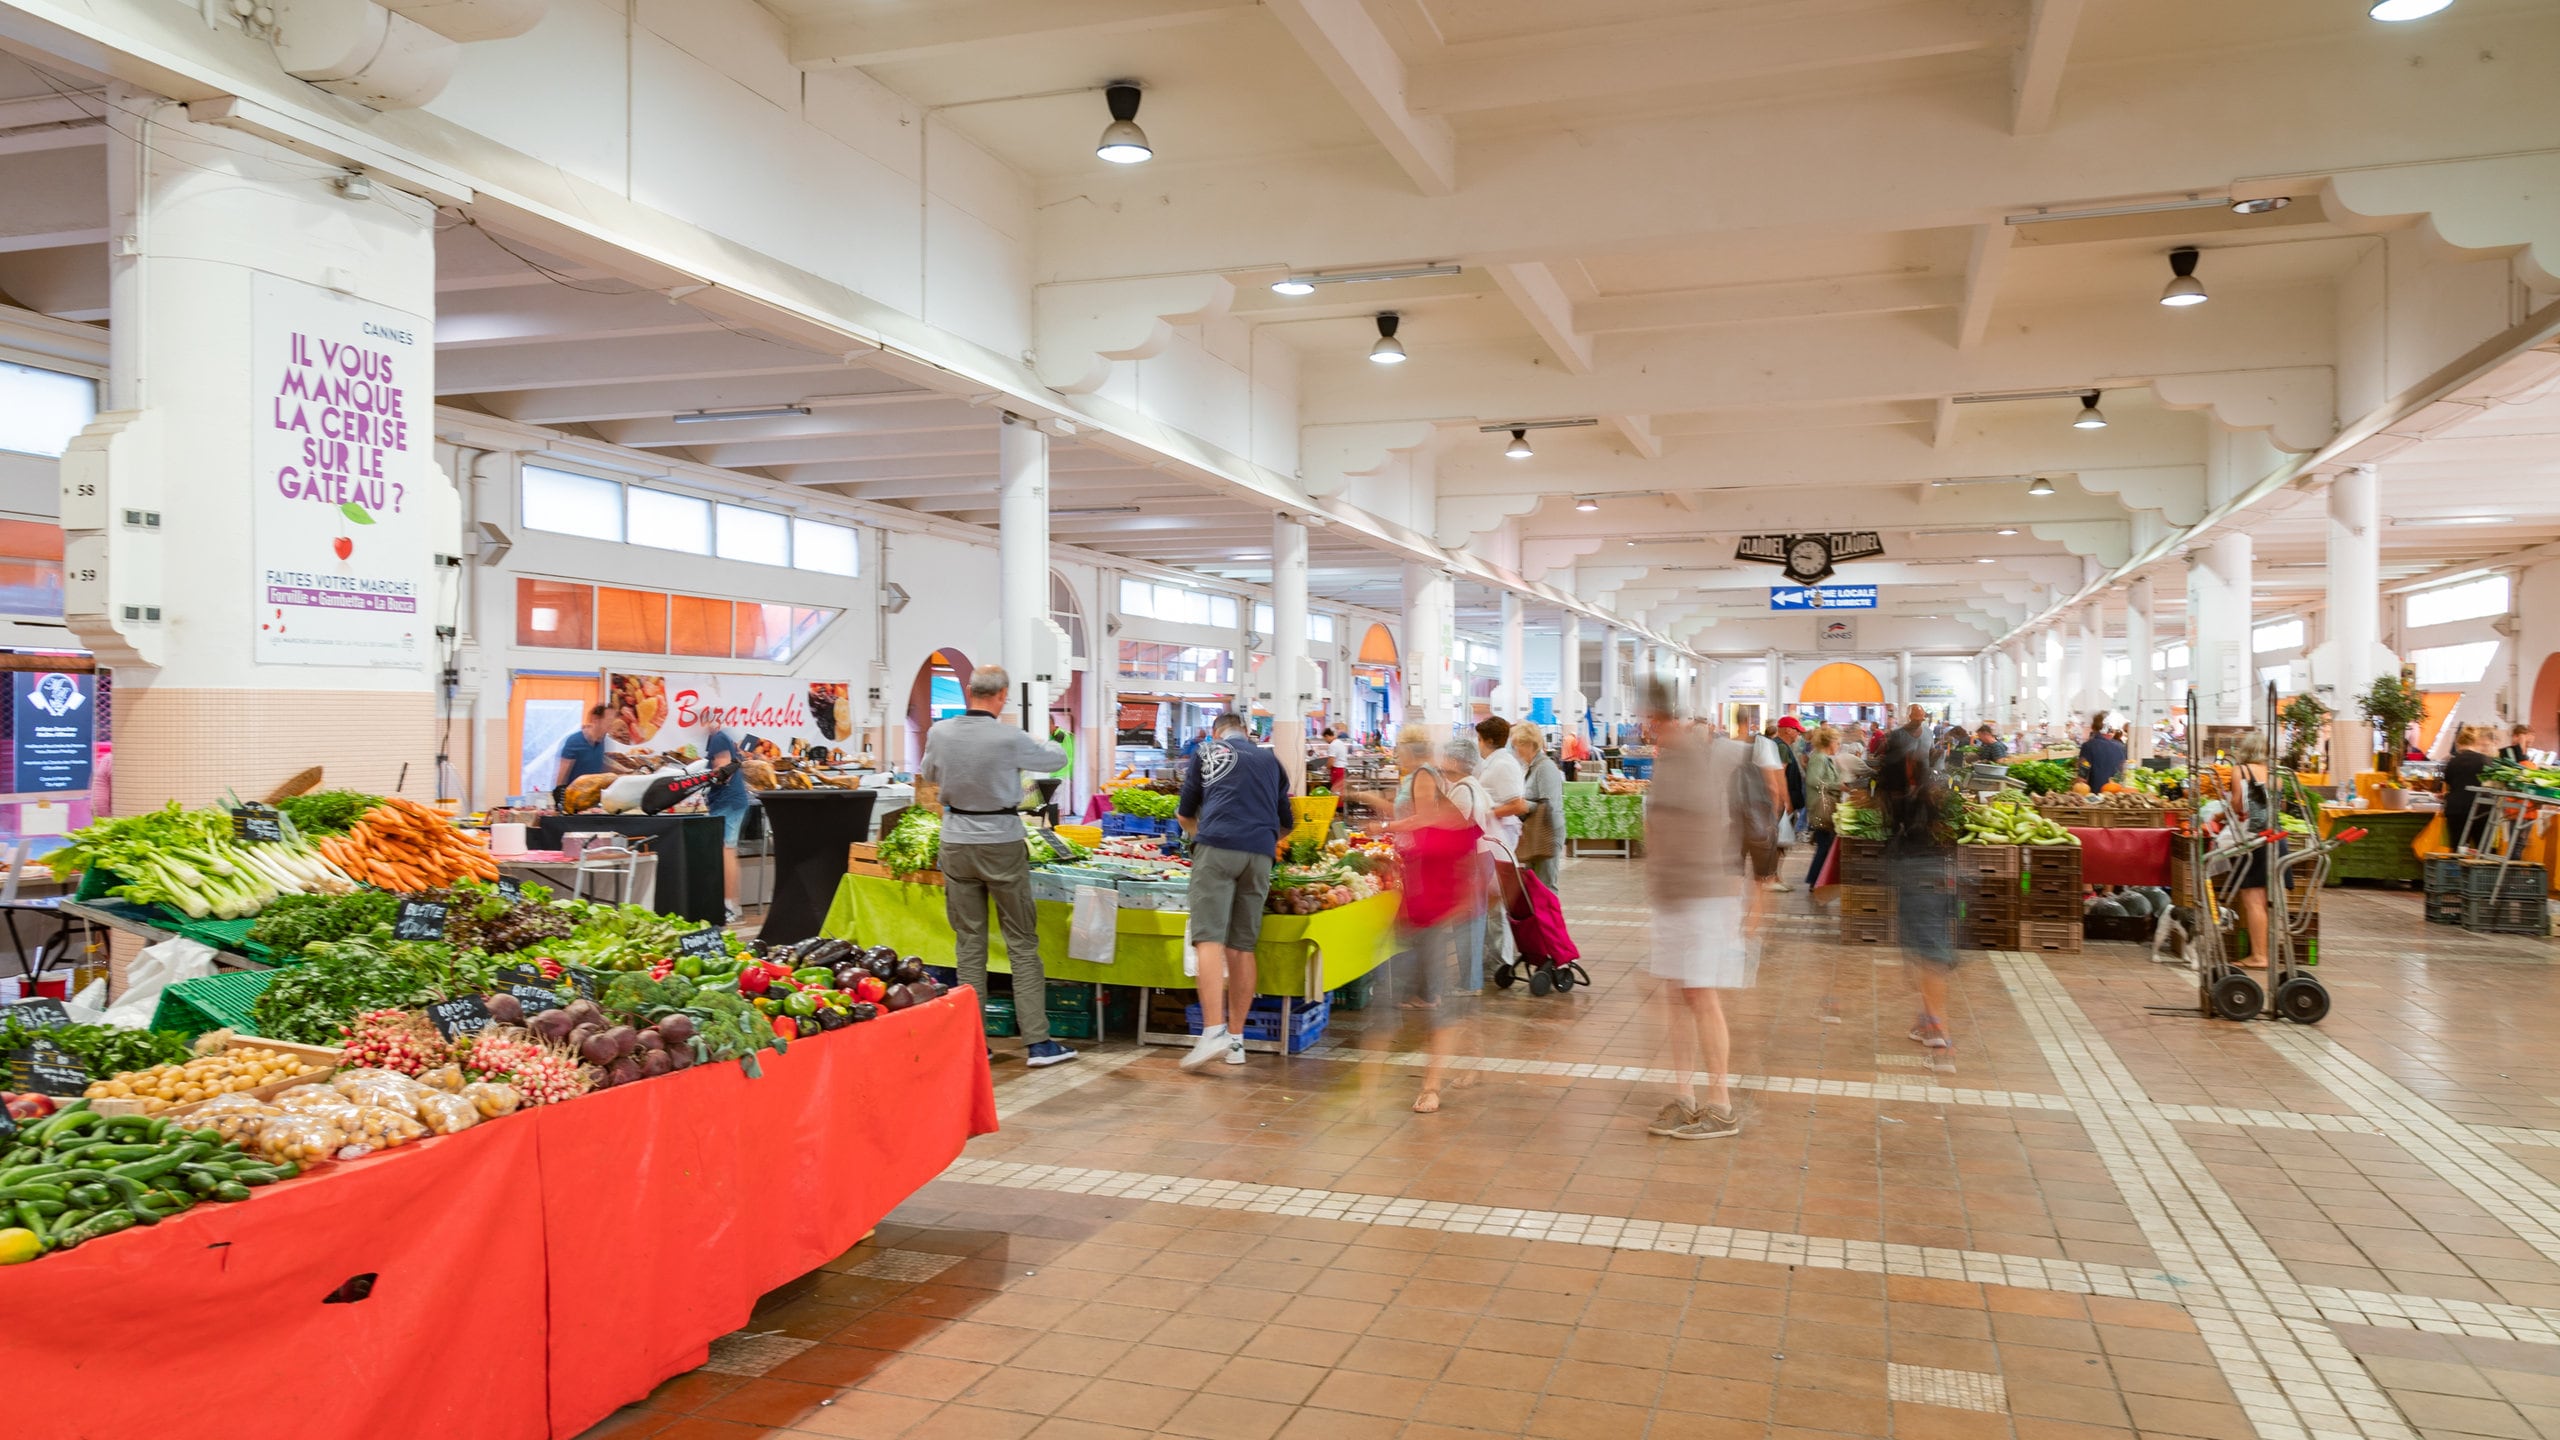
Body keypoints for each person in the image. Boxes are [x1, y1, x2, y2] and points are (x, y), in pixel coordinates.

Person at [919, 665, 1076, 1067]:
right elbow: (1056, 759)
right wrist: (1047, 738)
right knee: (1021, 942)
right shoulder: (1010, 736)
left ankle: (974, 1042)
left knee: (969, 942)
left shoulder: (940, 732)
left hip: (955, 838)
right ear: (1002, 696)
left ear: (969, 691)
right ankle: (1038, 1043)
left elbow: (929, 774)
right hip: (1002, 839)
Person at [1640, 682, 1754, 1140]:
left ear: (1661, 718)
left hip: (1703, 897)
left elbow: (1700, 829)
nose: (1646, 728)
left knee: (1700, 997)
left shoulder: (1694, 757)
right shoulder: (1672, 760)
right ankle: (1685, 1096)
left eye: (1649, 719)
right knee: (1677, 995)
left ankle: (1721, 1103)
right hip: (1677, 896)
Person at [1175, 712, 1295, 1069]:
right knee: (1242, 947)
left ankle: (1213, 1032)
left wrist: (1204, 840)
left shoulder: (1207, 753)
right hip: (1260, 855)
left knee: (1209, 940)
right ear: (1247, 732)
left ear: (1216, 732)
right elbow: (1286, 824)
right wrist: (1257, 840)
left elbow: (1184, 815)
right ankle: (1237, 1041)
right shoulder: (1271, 760)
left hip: (1217, 847)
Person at [1385, 729, 1486, 1113]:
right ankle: (1473, 1050)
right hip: (1424, 904)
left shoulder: (1432, 790)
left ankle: (1432, 1086)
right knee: (1439, 993)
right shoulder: (1424, 786)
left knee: (1443, 995)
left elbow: (1433, 829)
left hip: (1447, 905)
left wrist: (1391, 829)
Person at [1874, 712, 1959, 1049]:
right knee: (1925, 949)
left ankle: (1938, 1026)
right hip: (1928, 870)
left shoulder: (1906, 788)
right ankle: (1926, 1019)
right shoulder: (1923, 786)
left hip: (1920, 871)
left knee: (1928, 952)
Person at [1475, 716, 1531, 972]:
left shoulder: (1503, 765)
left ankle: (1503, 959)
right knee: (1490, 901)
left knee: (1496, 900)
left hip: (1501, 839)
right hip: (1491, 838)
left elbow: (1519, 804)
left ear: (1487, 740)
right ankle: (1495, 955)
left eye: (1478, 739)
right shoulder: (1493, 763)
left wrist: (1488, 813)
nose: (1477, 744)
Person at [2225, 731, 2278, 972]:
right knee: (2268, 900)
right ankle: (2269, 951)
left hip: (2253, 839)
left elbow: (2237, 804)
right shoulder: (2277, 774)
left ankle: (2259, 955)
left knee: (2253, 899)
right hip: (2276, 838)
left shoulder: (2241, 771)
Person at [700, 724, 757, 922]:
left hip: (728, 802)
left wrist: (701, 776)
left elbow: (724, 771)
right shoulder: (719, 738)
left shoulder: (718, 738)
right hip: (729, 802)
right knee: (726, 850)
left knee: (726, 850)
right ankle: (732, 904)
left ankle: (729, 905)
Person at [1514, 722, 1565, 892]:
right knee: (1534, 887)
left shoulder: (1545, 767)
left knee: (1546, 887)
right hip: (1534, 833)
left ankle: (1550, 918)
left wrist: (1523, 805)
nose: (1516, 750)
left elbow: (1549, 804)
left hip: (1547, 834)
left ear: (1529, 744)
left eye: (1518, 745)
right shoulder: (1529, 767)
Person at [1750, 722, 1795, 891]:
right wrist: (1782, 801)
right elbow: (1775, 778)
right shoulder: (1771, 747)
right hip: (1769, 805)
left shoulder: (1758, 746)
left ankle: (1768, 877)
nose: (1797, 734)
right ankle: (1768, 878)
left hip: (1759, 805)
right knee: (1771, 843)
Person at [2442, 724, 2497, 854]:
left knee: (2458, 851)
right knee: (2484, 852)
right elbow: (2493, 785)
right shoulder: (2485, 761)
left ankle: (2456, 873)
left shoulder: (2452, 762)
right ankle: (2482, 874)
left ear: (2458, 743)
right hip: (2482, 810)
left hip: (2456, 811)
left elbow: (2447, 786)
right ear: (2475, 742)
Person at [1802, 725, 1843, 896]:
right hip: (1821, 808)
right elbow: (1813, 780)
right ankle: (1815, 881)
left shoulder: (1824, 758)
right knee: (1824, 845)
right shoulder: (1819, 758)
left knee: (1824, 844)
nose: (1838, 746)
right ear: (1830, 742)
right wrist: (1837, 786)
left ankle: (1817, 880)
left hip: (1824, 807)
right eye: (1838, 743)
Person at [551, 705, 612, 810]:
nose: (610, 725)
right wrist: (561, 807)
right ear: (596, 720)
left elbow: (604, 765)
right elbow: (560, 780)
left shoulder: (603, 741)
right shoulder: (574, 741)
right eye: (608, 721)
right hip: (574, 804)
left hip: (594, 804)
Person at [2078, 711, 2127, 790]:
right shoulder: (2120, 747)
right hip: (2115, 794)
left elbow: (2082, 776)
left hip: (2095, 794)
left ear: (2094, 727)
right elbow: (2123, 772)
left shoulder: (2088, 746)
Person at [1325, 727, 1351, 794]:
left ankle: (1337, 804)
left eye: (1325, 739)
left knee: (1336, 790)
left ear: (1327, 736)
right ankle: (1341, 804)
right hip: (1342, 769)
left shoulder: (1333, 745)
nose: (1326, 741)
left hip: (1337, 770)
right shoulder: (1340, 742)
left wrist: (1326, 768)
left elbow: (1331, 761)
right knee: (1341, 790)